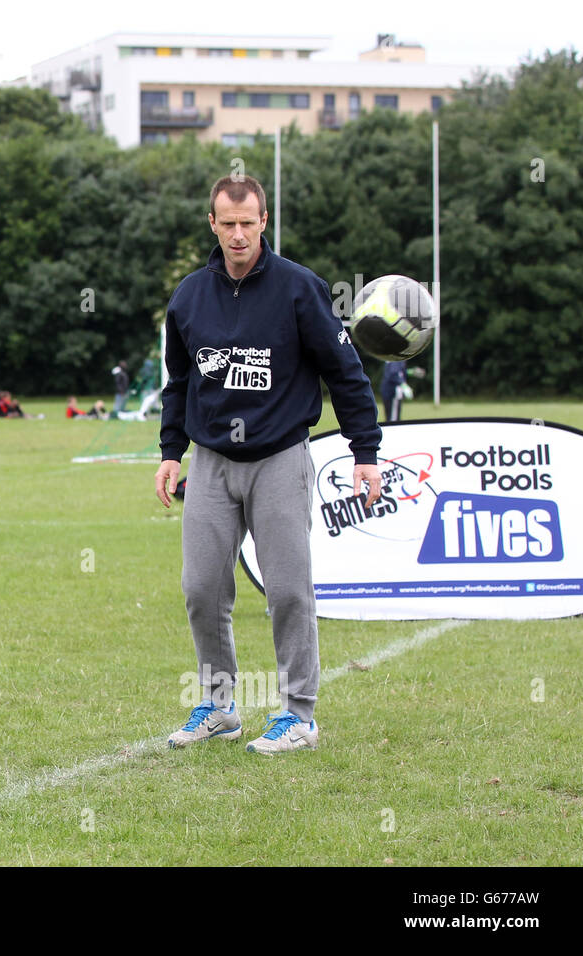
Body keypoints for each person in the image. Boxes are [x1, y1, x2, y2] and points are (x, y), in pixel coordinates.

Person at [154, 175, 383, 755]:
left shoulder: (300, 288)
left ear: (264, 221)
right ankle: (219, 706)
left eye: (247, 223)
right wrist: (169, 453)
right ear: (212, 223)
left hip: (279, 459)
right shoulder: (187, 297)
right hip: (210, 465)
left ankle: (299, 716)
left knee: (287, 591)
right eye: (226, 223)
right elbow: (179, 383)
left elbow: (346, 372)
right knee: (202, 588)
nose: (237, 234)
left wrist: (365, 452)